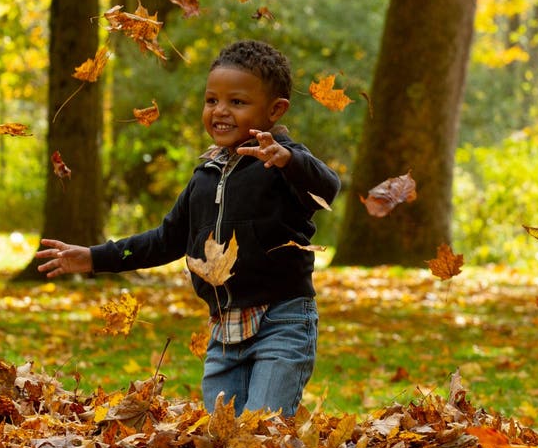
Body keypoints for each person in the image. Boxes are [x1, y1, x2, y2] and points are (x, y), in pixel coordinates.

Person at [35, 39, 340, 416]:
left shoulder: (284, 164)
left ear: (275, 110)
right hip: (224, 332)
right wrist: (95, 258)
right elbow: (165, 240)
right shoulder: (205, 177)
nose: (220, 111)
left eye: (237, 102)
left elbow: (328, 187)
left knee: (264, 430)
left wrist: (288, 160)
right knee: (223, 430)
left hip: (282, 321)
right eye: (212, 100)